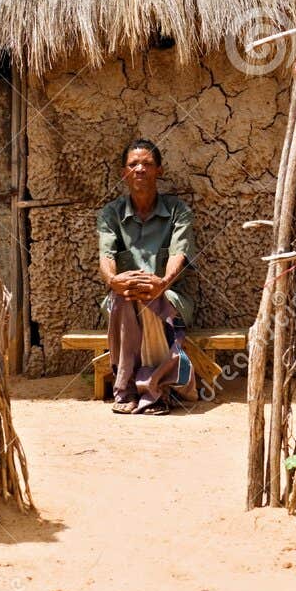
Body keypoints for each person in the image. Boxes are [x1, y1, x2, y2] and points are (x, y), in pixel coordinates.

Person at [96, 138, 197, 414]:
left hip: (171, 296)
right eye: (133, 164)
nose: (140, 169)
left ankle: (151, 390)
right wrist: (114, 281)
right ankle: (134, 390)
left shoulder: (178, 211)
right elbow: (106, 256)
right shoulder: (111, 213)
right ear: (124, 173)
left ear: (159, 170)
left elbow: (179, 253)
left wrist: (161, 283)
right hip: (123, 298)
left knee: (150, 301)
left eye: (147, 164)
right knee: (125, 297)